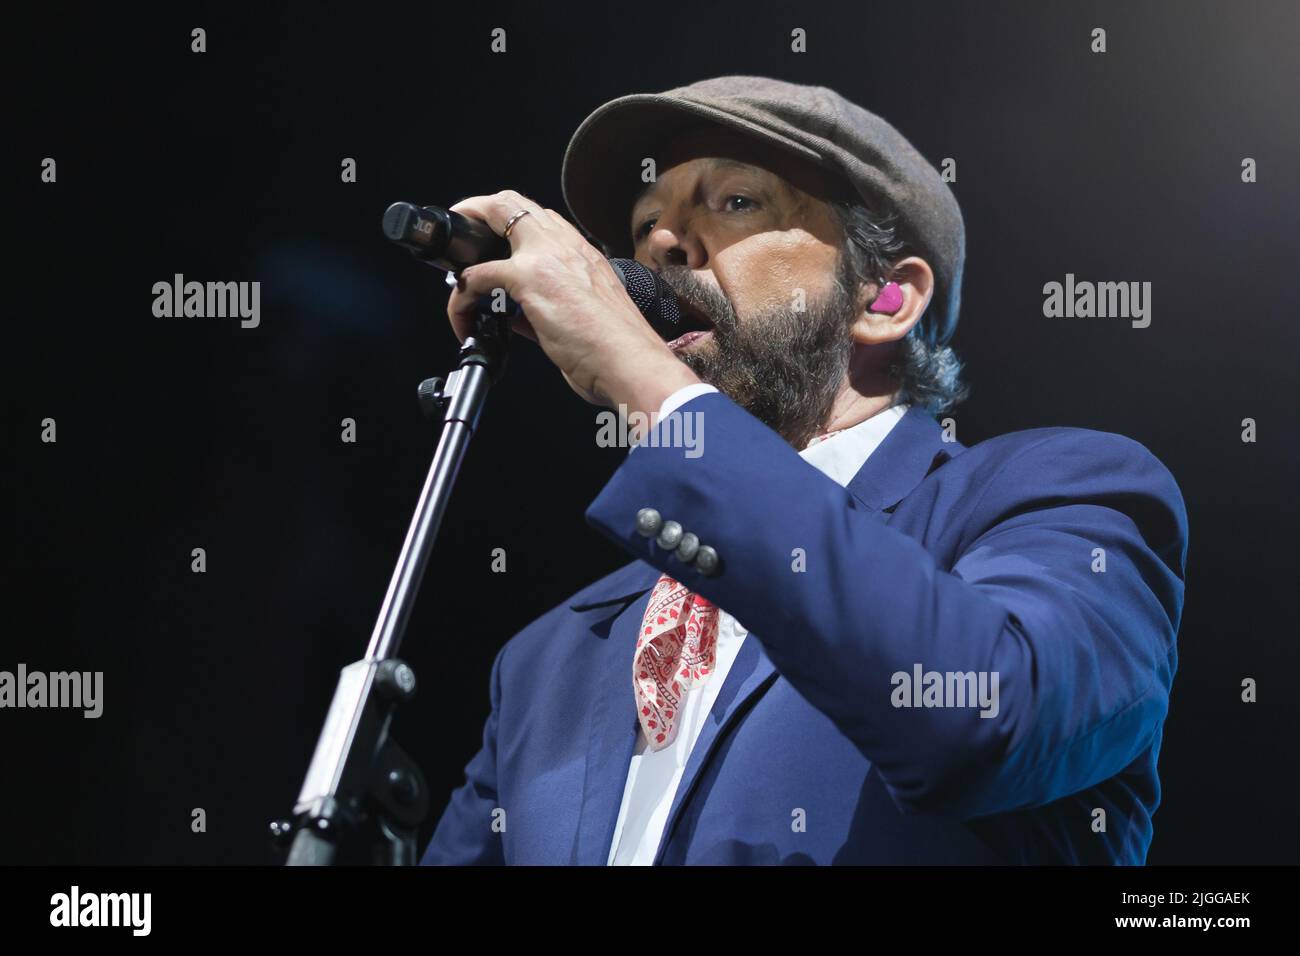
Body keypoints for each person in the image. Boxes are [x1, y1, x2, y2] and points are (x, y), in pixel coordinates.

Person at [419, 76, 1188, 865]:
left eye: (736, 203)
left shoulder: (1058, 491)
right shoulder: (549, 659)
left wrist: (649, 385)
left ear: (885, 299)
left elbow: (985, 717)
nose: (659, 246)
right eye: (647, 224)